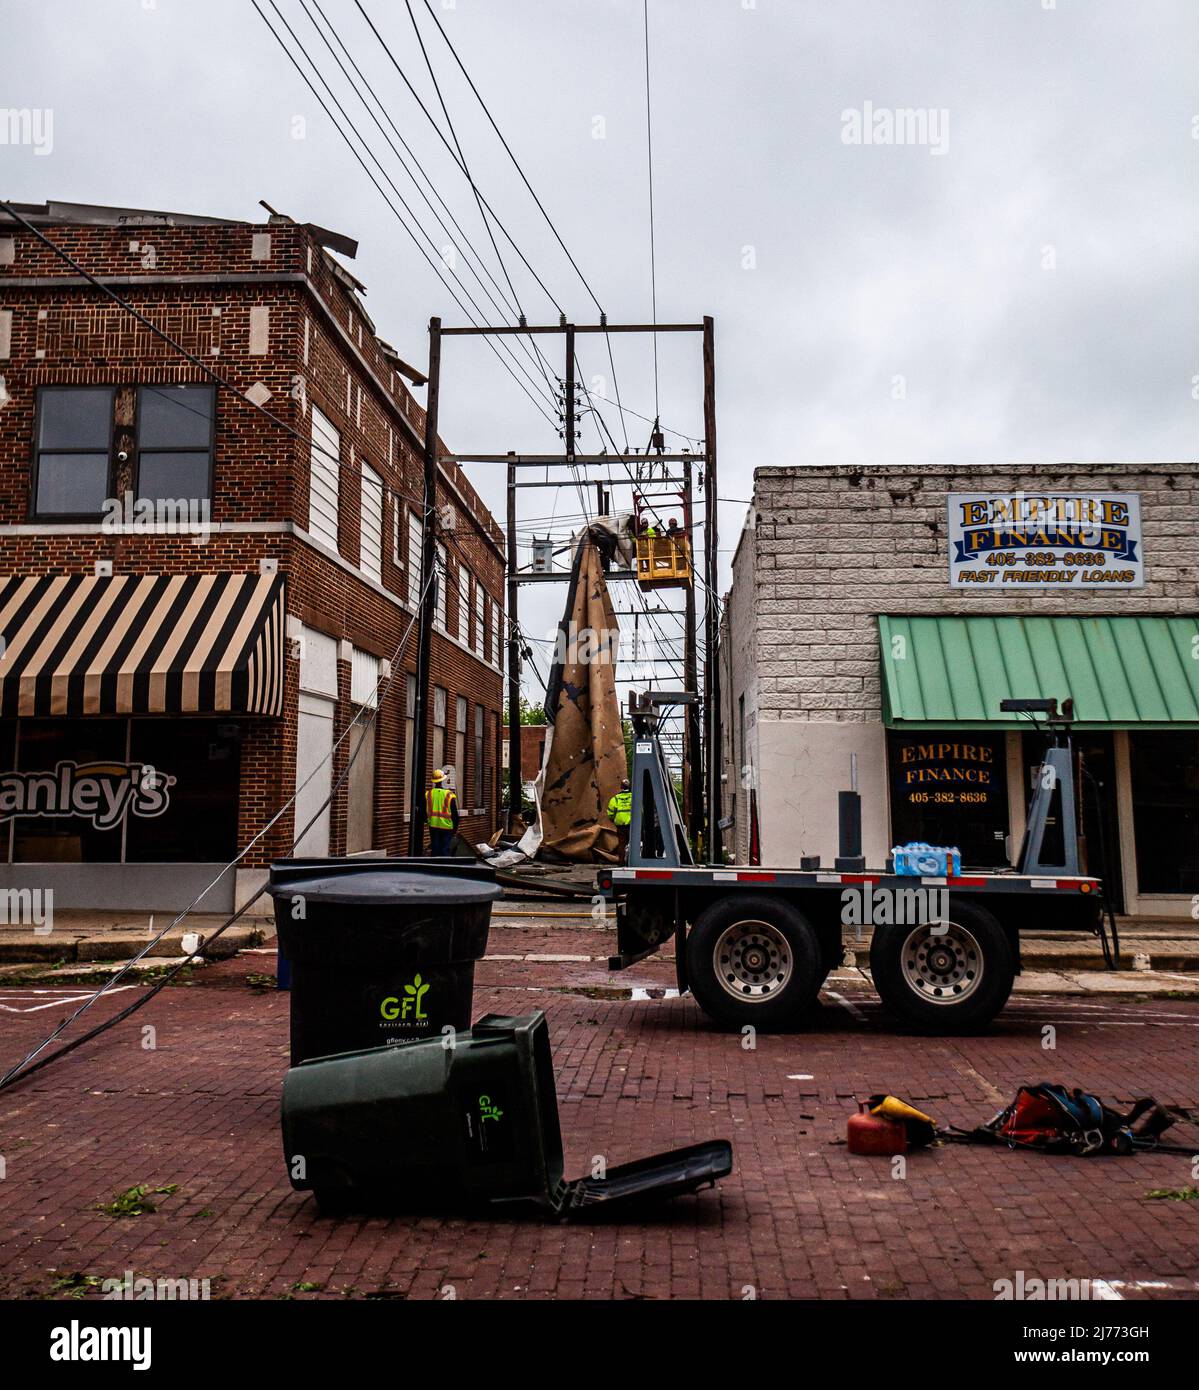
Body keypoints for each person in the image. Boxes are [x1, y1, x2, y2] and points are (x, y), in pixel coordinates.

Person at [426, 769, 459, 856]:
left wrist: (427, 821)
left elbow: (422, 811)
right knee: (445, 850)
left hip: (433, 826)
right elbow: (455, 815)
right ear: (443, 780)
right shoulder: (449, 795)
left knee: (435, 849)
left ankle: (434, 867)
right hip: (447, 827)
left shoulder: (428, 794)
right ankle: (445, 867)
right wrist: (455, 829)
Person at [607, 777, 632, 861]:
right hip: (632, 825)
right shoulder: (634, 797)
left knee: (622, 844)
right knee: (633, 844)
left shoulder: (615, 799)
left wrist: (613, 820)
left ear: (621, 787)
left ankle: (621, 862)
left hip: (620, 825)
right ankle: (632, 861)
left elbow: (610, 813)